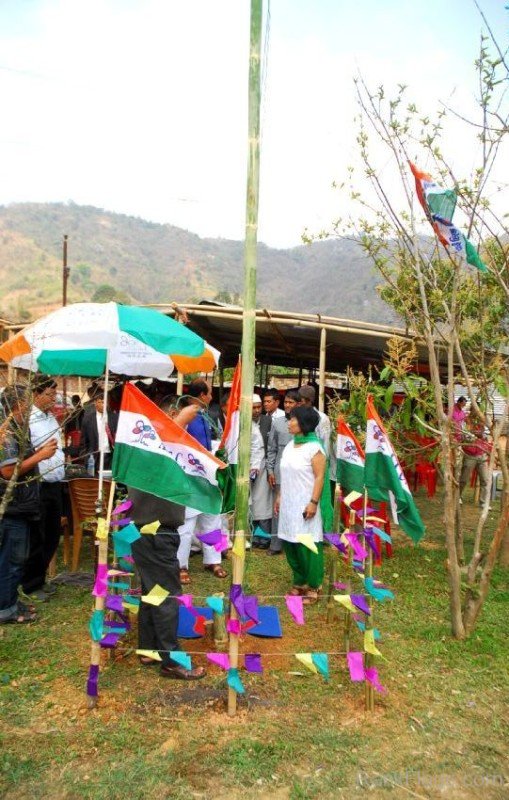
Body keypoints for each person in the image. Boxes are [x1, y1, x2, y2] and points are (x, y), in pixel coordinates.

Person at [129, 402, 205, 680]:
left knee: (153, 591)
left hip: (152, 529)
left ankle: (149, 649)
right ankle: (171, 660)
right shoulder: (152, 442)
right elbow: (165, 436)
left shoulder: (149, 443)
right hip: (155, 530)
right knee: (166, 595)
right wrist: (183, 417)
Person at [0, 384, 58, 624]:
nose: (29, 406)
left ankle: (11, 602)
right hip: (13, 507)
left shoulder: (17, 429)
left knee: (17, 559)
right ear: (18, 404)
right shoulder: (7, 433)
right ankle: (5, 609)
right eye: (26, 402)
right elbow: (7, 471)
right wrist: (40, 456)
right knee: (11, 560)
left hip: (21, 506)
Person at [275, 405, 333, 605]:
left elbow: (319, 478)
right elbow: (286, 474)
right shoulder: (291, 445)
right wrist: (280, 496)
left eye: (293, 419)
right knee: (290, 543)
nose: (289, 422)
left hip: (306, 504)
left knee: (307, 544)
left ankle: (314, 585)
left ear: (304, 424)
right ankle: (299, 581)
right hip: (288, 503)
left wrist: (313, 502)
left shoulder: (315, 448)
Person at [175, 386, 227, 582]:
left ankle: (213, 560)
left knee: (212, 517)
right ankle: (181, 565)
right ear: (202, 395)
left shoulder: (205, 415)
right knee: (186, 523)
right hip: (189, 476)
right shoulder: (184, 415)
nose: (212, 397)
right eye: (210, 393)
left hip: (208, 474)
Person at [22, 376, 65, 602]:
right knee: (37, 536)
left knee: (52, 534)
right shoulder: (28, 420)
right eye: (49, 394)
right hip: (38, 483)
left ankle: (40, 578)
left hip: (55, 483)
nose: (53, 399)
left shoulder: (51, 419)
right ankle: (31, 584)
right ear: (36, 395)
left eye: (54, 394)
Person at [266, 390, 299, 554]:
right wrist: (270, 470)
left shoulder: (304, 423)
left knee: (297, 506)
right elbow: (271, 448)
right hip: (280, 471)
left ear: (298, 404)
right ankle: (275, 545)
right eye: (286, 402)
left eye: (291, 402)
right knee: (277, 508)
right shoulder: (277, 423)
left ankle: (295, 543)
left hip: (298, 472)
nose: (287, 405)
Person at [250, 394, 273, 548]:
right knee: (249, 502)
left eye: (259, 407)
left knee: (263, 503)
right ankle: (250, 535)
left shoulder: (268, 421)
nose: (257, 410)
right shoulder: (241, 422)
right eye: (254, 408)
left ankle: (263, 538)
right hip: (246, 468)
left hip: (263, 467)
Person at [80, 388, 118, 474]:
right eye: (100, 402)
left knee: (108, 480)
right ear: (95, 403)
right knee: (94, 480)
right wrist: (85, 457)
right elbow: (83, 442)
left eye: (104, 402)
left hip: (110, 457)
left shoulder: (114, 418)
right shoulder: (88, 419)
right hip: (94, 458)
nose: (102, 405)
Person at [459, 418, 492, 507]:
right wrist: (474, 434)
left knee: (485, 479)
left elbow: (486, 437)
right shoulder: (466, 422)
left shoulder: (484, 424)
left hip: (482, 455)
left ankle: (483, 502)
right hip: (470, 455)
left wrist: (481, 434)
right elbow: (464, 437)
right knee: (464, 479)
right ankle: (458, 496)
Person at [298, 385, 332, 457]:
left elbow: (326, 443)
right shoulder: (296, 417)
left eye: (301, 400)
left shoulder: (322, 418)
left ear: (309, 401)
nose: (299, 403)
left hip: (315, 458)